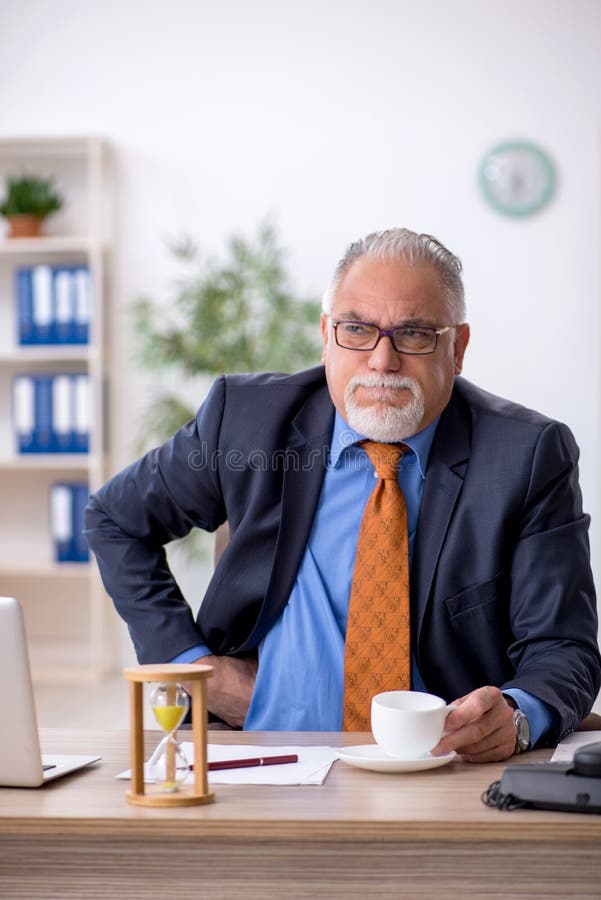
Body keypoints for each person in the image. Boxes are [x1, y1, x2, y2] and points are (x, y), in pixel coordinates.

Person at [85, 228, 601, 762]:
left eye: (415, 334)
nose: (382, 360)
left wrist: (516, 716)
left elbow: (563, 648)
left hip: (442, 767)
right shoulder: (245, 422)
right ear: (327, 336)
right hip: (262, 754)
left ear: (458, 347)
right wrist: (195, 669)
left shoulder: (526, 455)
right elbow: (115, 519)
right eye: (357, 330)